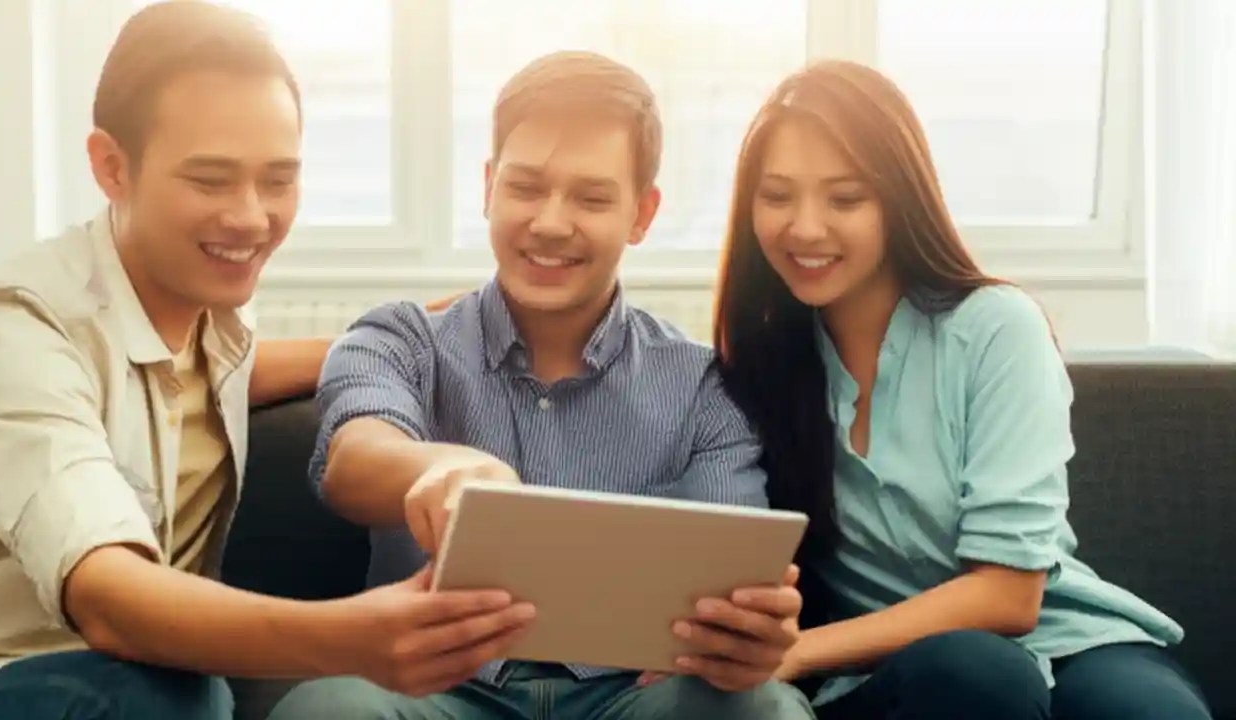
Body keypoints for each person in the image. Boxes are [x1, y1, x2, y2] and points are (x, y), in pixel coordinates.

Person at [0, 3, 540, 718]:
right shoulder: (15, 327)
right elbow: (106, 597)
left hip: (149, 669)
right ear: (111, 167)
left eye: (278, 180)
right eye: (211, 180)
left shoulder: (210, 319)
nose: (251, 217)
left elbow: (213, 378)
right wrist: (351, 639)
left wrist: (412, 331)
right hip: (4, 674)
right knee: (183, 697)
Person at [268, 51, 815, 720]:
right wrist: (445, 470)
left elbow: (731, 566)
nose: (551, 222)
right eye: (526, 187)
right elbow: (353, 461)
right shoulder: (399, 339)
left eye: (591, 198)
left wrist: (747, 632)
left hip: (634, 696)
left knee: (764, 708)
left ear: (642, 214)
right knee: (328, 709)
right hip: (433, 688)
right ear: (489, 187)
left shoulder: (706, 385)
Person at [701, 59, 1214, 720]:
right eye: (776, 196)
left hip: (1066, 638)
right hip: (888, 673)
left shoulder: (997, 329)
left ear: (900, 200)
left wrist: (800, 651)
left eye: (845, 198)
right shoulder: (756, 367)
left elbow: (1009, 595)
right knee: (975, 674)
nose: (805, 227)